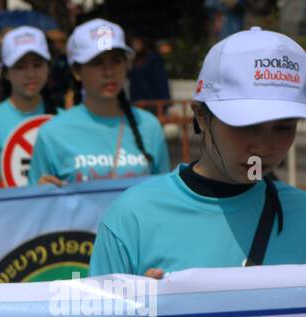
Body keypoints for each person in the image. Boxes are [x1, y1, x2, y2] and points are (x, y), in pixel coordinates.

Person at [90, 28, 306, 277]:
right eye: (246, 125)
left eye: (283, 128)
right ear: (201, 116)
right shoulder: (133, 217)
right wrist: (141, 312)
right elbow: (97, 314)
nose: (265, 147)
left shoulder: (300, 214)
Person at [26, 18, 169, 186]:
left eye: (116, 60)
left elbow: (163, 199)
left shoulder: (149, 126)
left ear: (126, 65)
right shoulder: (51, 134)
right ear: (77, 71)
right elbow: (35, 208)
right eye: (97, 62)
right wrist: (42, 193)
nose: (109, 72)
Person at [0, 27, 56, 190]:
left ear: (48, 69)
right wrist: (36, 192)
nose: (31, 74)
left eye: (38, 65)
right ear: (6, 73)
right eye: (20, 66)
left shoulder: (62, 118)